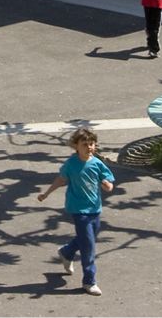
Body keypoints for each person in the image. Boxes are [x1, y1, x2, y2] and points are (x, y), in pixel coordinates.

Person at [36, 127, 116, 296]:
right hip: (78, 209)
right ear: (76, 146)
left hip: (95, 208)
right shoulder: (71, 164)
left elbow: (107, 180)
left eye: (91, 144)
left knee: (88, 238)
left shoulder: (97, 163)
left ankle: (67, 252)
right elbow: (61, 179)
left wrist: (108, 185)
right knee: (89, 246)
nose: (89, 147)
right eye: (85, 144)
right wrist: (46, 193)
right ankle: (89, 281)